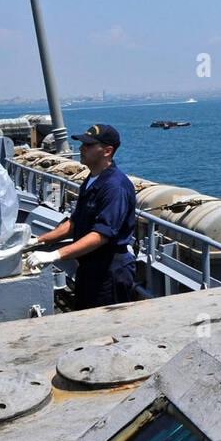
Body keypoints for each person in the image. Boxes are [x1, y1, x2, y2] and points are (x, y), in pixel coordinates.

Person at [26, 123, 137, 309]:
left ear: (107, 151)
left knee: (106, 326)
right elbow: (75, 223)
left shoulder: (115, 187)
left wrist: (56, 254)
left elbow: (101, 235)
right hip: (89, 266)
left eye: (88, 145)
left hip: (109, 270)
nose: (81, 148)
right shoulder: (92, 179)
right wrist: (38, 241)